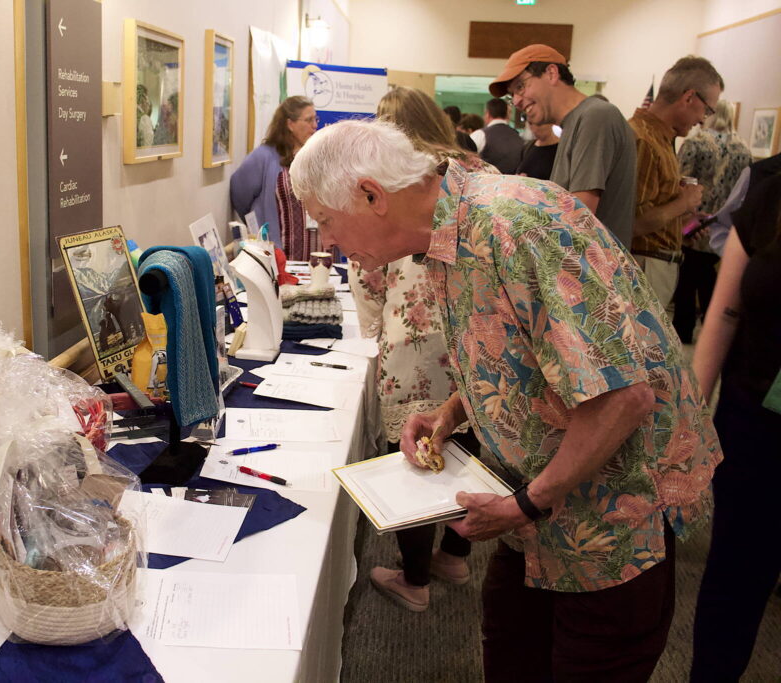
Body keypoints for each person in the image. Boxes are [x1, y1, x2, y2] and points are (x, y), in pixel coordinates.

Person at [290, 119, 721, 680]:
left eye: (325, 221)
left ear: (372, 194)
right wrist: (451, 411)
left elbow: (623, 398)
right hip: (542, 513)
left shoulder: (515, 225)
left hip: (611, 516)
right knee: (511, 652)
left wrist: (524, 504)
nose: (326, 240)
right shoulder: (448, 234)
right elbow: (519, 352)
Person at [353, 86, 498, 611]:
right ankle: (455, 554)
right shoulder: (478, 171)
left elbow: (367, 267)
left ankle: (414, 580)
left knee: (415, 450)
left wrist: (373, 325)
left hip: (411, 336)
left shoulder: (387, 184)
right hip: (473, 331)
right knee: (473, 440)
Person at [690, 167, 781, 682]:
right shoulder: (772, 183)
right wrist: (691, 420)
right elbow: (724, 311)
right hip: (755, 421)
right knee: (735, 581)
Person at [491, 44, 637, 246]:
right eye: (512, 94)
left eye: (520, 87)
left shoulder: (596, 116)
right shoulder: (572, 124)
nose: (516, 101)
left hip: (595, 272)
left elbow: (579, 213)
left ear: (551, 73)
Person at [629, 56, 724, 312]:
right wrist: (684, 202)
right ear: (689, 97)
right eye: (707, 109)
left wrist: (683, 225)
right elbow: (632, 224)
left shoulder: (661, 139)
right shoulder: (645, 141)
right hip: (645, 266)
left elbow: (653, 216)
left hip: (657, 263)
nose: (704, 119)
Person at [673, 101, 752, 342]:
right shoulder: (744, 149)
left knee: (687, 277)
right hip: (723, 224)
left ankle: (683, 330)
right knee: (711, 274)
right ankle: (714, 327)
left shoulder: (695, 143)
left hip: (693, 221)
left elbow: (679, 180)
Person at [230, 96, 321, 259]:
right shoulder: (265, 156)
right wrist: (258, 217)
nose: (315, 125)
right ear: (290, 124)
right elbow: (240, 193)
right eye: (309, 120)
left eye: (315, 119)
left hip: (318, 254)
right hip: (281, 256)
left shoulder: (316, 154)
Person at [471, 98, 523, 173]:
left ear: (487, 114)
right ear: (506, 115)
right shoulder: (519, 136)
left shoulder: (480, 134)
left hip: (486, 182)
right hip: (514, 183)